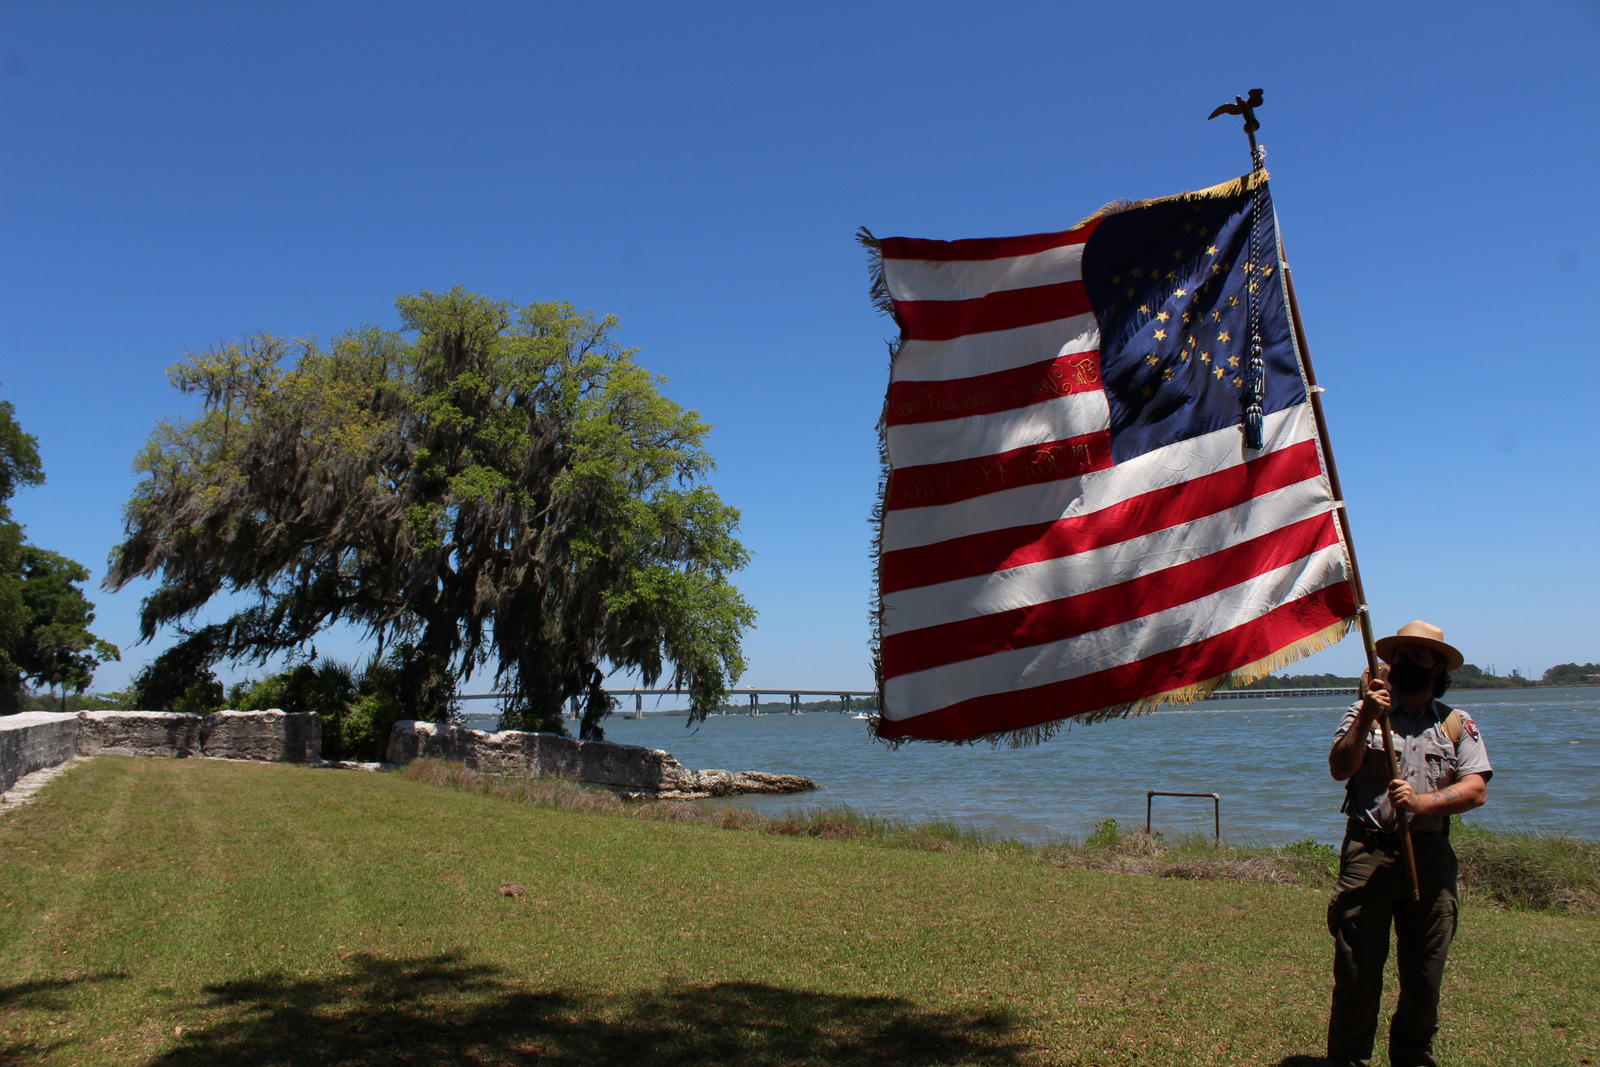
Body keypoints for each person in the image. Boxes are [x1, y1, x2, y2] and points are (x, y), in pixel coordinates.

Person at [1325, 620, 1492, 1067]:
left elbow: (1476, 789)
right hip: (1368, 855)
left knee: (1424, 975)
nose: (1406, 663)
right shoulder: (1363, 713)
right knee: (1357, 972)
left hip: (1431, 858)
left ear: (1438, 668)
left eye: (1419, 657)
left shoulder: (1456, 724)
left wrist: (1421, 802)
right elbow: (1341, 768)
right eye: (1400, 656)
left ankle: (1413, 1058)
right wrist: (1365, 715)